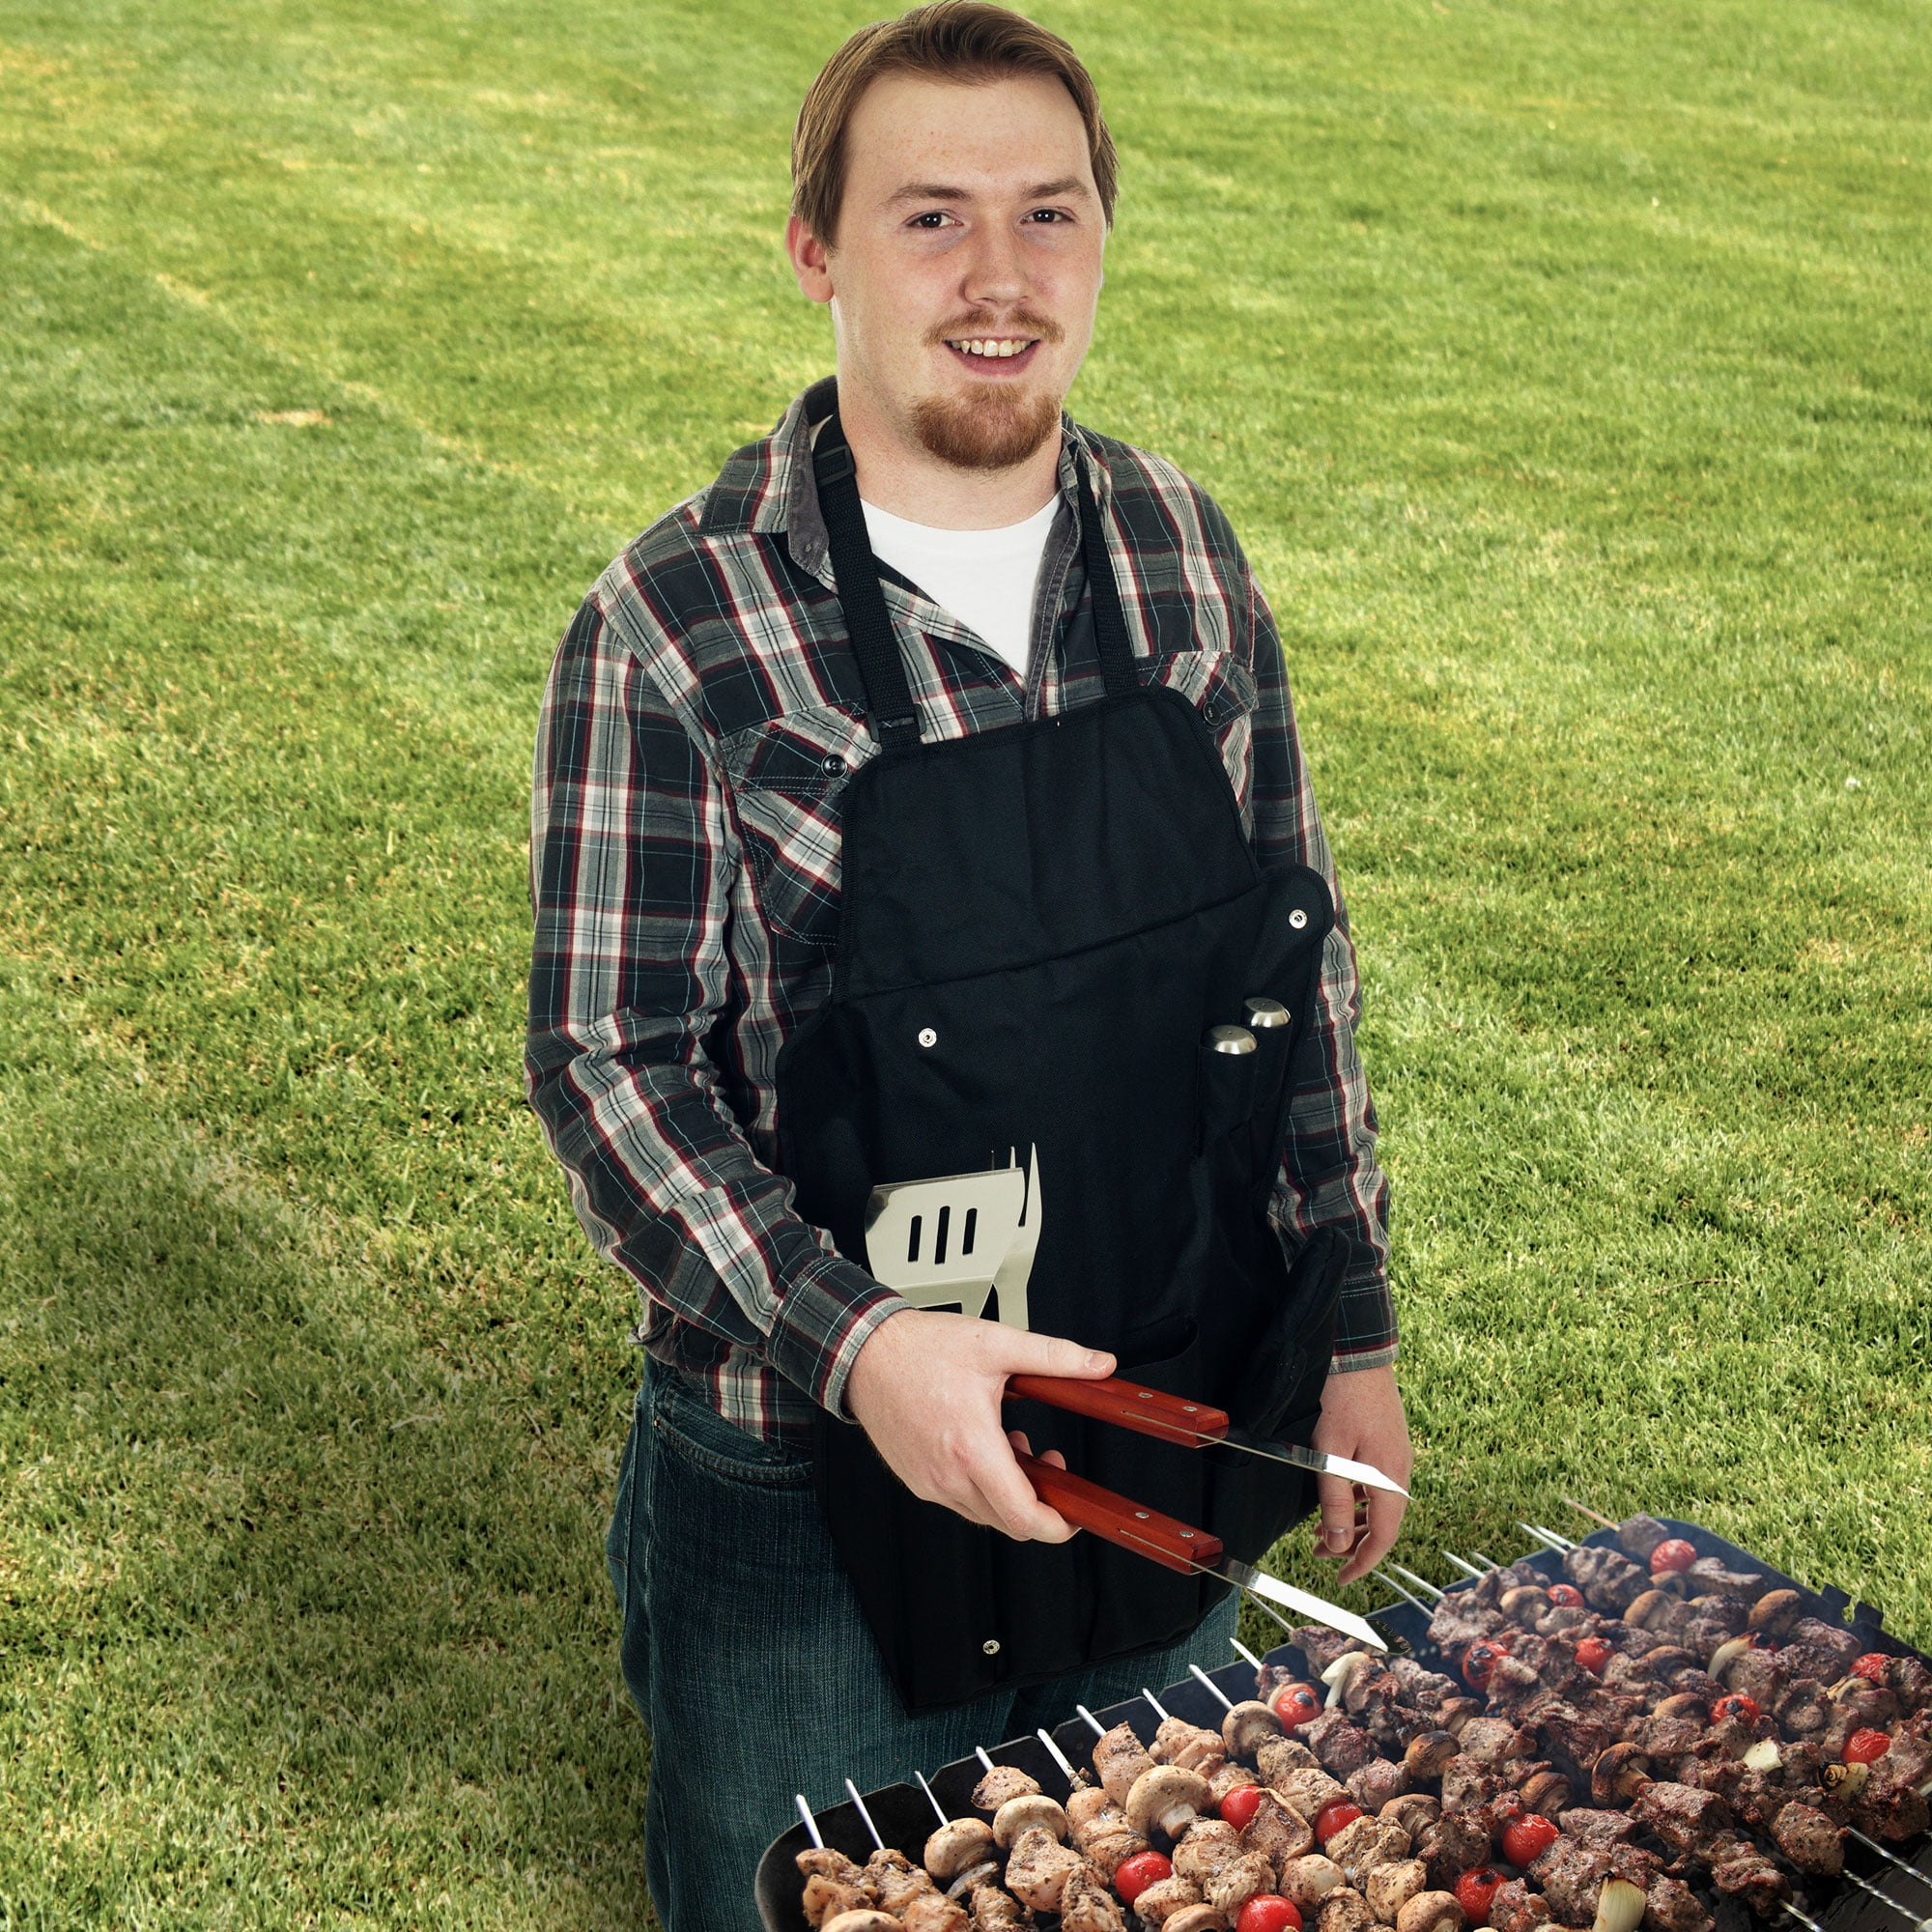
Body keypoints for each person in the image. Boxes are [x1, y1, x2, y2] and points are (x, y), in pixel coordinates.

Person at [526, 6, 1410, 1925]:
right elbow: (613, 1062)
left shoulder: (1179, 552)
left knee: (1151, 1875)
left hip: (1152, 1389)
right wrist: (867, 1347)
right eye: (932, 218)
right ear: (817, 253)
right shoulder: (679, 622)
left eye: (1048, 214)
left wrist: (1347, 1325)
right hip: (804, 1472)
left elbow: (1289, 958)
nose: (1000, 279)